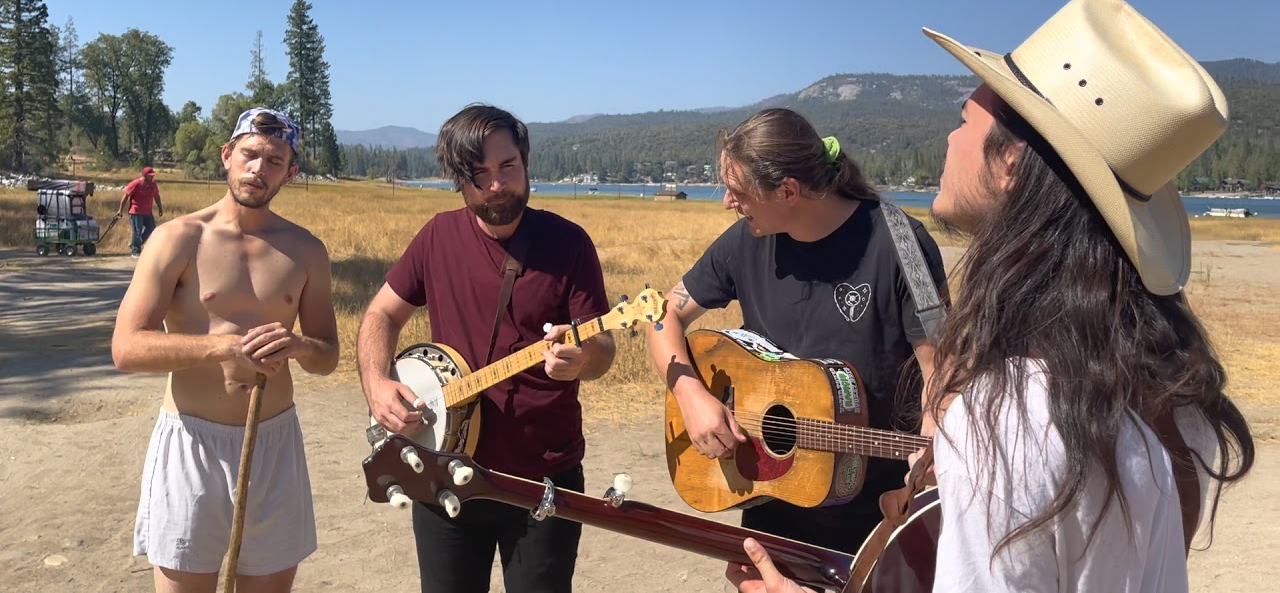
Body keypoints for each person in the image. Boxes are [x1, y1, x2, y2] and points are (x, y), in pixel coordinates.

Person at [729, 0, 1256, 593]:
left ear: (1009, 163)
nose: (950, 140)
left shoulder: (1013, 420)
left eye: (963, 120)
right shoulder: (1162, 387)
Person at [646, 107, 948, 559]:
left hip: (879, 515)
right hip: (773, 498)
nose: (728, 203)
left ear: (788, 191)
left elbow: (942, 372)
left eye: (737, 192)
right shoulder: (746, 241)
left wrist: (930, 453)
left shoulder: (901, 243)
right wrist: (691, 396)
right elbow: (662, 316)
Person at [357, 103, 616, 593]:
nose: (497, 185)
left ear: (526, 161)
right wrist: (376, 383)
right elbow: (380, 314)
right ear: (459, 180)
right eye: (480, 175)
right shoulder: (437, 236)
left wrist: (583, 359)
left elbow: (601, 344)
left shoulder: (569, 243)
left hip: (543, 477)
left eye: (508, 167)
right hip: (445, 464)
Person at [112, 107, 340, 593]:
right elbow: (127, 348)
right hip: (192, 442)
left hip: (274, 443)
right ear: (227, 155)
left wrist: (298, 345)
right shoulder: (178, 238)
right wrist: (221, 348)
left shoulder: (305, 251)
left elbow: (327, 357)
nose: (259, 169)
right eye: (250, 154)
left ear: (291, 172)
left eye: (275, 160)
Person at [117, 165, 164, 257]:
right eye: (150, 175)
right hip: (136, 211)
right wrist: (120, 210)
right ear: (144, 175)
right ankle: (135, 251)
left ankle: (136, 243)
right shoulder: (135, 184)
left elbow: (157, 197)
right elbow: (125, 197)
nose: (152, 177)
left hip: (147, 212)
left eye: (153, 175)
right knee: (137, 231)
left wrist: (160, 208)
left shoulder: (153, 185)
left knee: (151, 227)